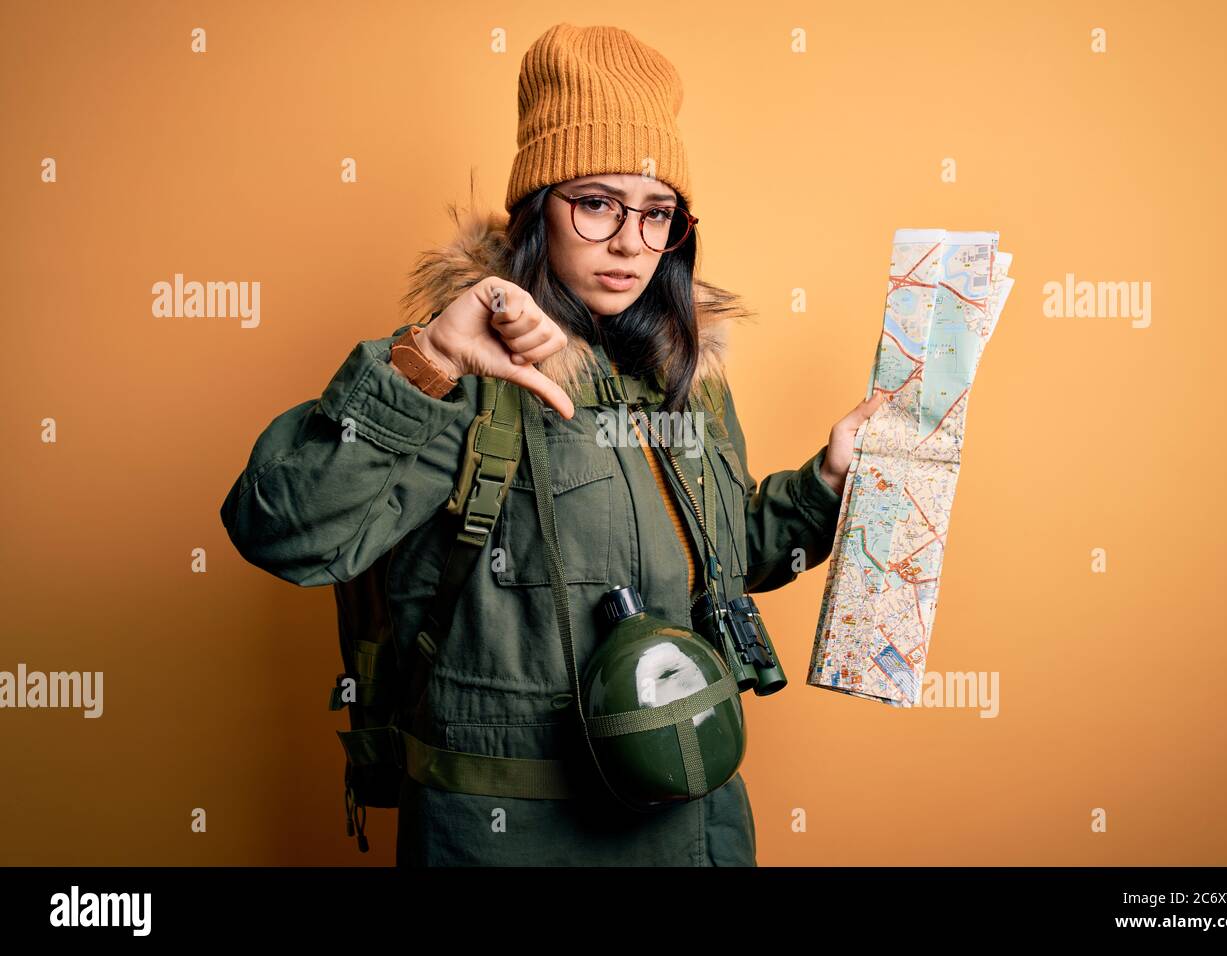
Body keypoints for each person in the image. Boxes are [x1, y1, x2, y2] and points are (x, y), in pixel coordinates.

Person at [220, 22, 885, 866]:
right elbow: (279, 529)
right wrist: (427, 361)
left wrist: (825, 482)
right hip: (508, 841)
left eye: (657, 214)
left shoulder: (689, 380)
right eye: (598, 203)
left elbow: (718, 562)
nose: (628, 244)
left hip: (698, 832)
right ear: (540, 207)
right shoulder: (457, 371)